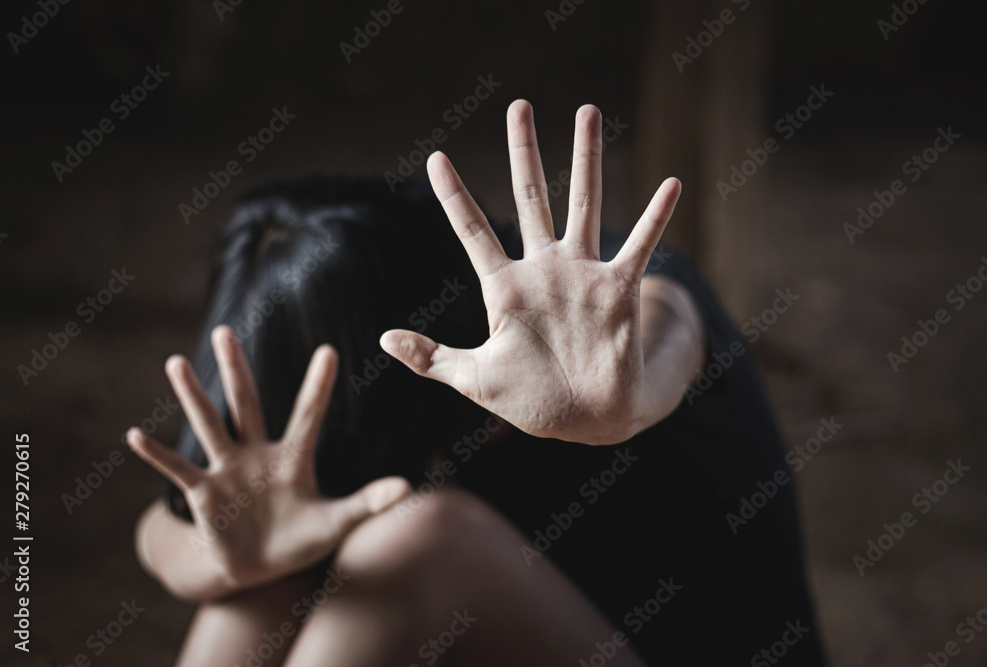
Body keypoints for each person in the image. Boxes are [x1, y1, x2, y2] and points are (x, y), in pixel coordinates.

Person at [129, 100, 825, 665]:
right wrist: (223, 557)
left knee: (416, 542)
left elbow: (669, 325)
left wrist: (630, 404)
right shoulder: (343, 402)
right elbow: (163, 533)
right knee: (267, 572)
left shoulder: (599, 306)